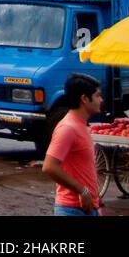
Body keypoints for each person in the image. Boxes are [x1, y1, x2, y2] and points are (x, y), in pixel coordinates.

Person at [43, 73, 104, 216]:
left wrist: (95, 200)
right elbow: (49, 166)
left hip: (88, 207)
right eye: (97, 96)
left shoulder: (81, 125)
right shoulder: (68, 128)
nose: (101, 100)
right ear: (84, 99)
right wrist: (82, 190)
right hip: (72, 210)